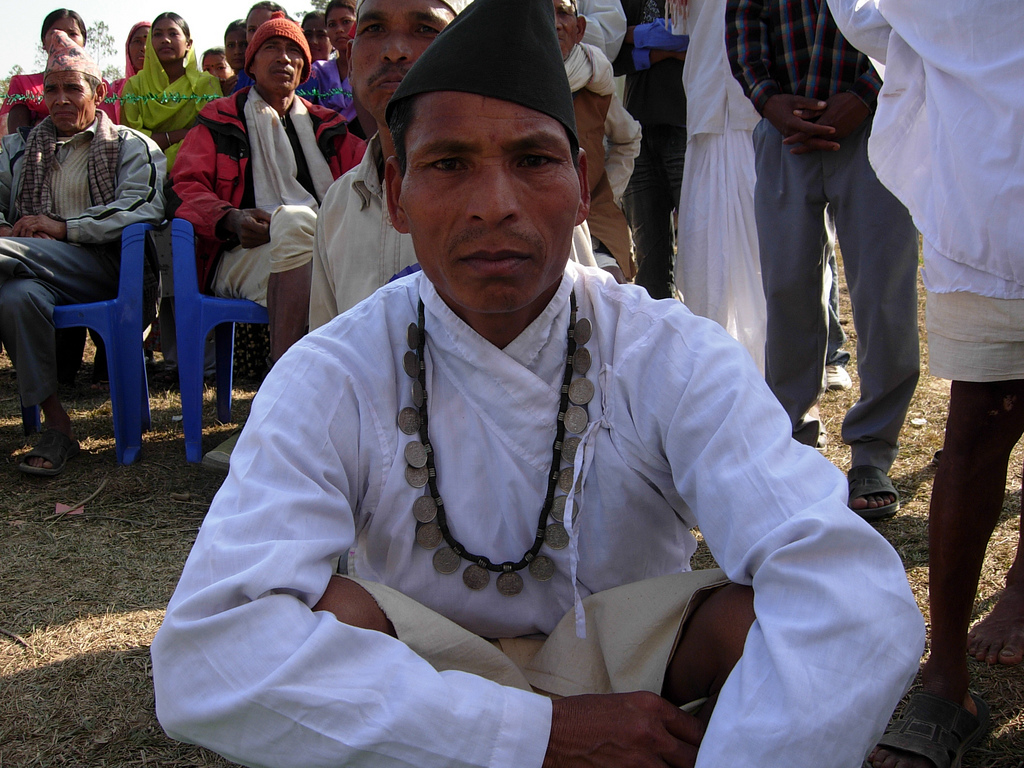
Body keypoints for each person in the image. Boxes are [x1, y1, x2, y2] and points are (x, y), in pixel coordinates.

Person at [151, 1, 924, 766]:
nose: (496, 205)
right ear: (395, 197)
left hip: (633, 671)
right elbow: (205, 654)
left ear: (581, 186)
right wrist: (533, 738)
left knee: (759, 618)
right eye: (450, 164)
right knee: (330, 612)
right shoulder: (333, 370)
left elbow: (851, 595)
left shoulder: (669, 351)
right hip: (423, 679)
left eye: (533, 160)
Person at [827, 2, 1024, 766]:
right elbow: (869, 19)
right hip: (983, 212)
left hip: (975, 198)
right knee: (974, 430)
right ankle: (946, 678)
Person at [726, 0, 920, 520]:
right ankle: (792, 442)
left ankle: (873, 451)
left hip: (876, 127)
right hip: (785, 131)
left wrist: (865, 94)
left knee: (884, 292)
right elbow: (743, 26)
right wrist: (770, 103)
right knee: (787, 289)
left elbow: (913, 24)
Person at [308, 0, 599, 331]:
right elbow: (327, 344)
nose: (395, 51)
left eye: (425, 29)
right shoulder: (336, 206)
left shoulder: (538, 193)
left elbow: (577, 333)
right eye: (374, 28)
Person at [0, 31, 165, 476]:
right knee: (15, 298)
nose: (60, 99)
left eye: (73, 87)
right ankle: (58, 426)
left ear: (99, 92)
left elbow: (142, 203)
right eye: (52, 89)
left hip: (104, 268)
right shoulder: (19, 149)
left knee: (10, 257)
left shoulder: (130, 143)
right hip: (32, 269)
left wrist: (64, 228)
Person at [168, 13, 365, 364]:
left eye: (294, 51)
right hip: (239, 255)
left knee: (323, 243)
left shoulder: (328, 126)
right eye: (271, 47)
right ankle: (287, 379)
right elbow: (182, 188)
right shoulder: (220, 120)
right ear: (252, 64)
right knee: (295, 225)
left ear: (305, 70)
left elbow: (370, 174)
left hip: (326, 250)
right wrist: (230, 219)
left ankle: (294, 384)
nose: (284, 58)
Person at [670, 0, 764, 372]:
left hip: (763, 109)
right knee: (708, 254)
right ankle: (716, 369)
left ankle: (783, 373)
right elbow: (680, 25)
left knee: (770, 254)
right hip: (709, 109)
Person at [555, 0, 640, 284]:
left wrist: (604, 192)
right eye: (544, 11)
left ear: (579, 29)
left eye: (563, 12)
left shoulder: (596, 81)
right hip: (536, 223)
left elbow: (628, 139)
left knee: (611, 290)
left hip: (594, 223)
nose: (555, 22)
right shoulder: (510, 81)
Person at [612, 0, 688, 300]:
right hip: (637, 132)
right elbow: (614, 53)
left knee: (700, 249)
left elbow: (694, 38)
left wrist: (636, 37)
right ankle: (662, 341)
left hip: (687, 127)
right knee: (649, 258)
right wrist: (667, 49)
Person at [120, 12, 222, 172]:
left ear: (189, 43)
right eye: (158, 34)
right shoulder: (135, 86)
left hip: (195, 171)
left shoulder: (206, 84)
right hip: (143, 172)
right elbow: (131, 140)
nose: (165, 39)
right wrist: (178, 135)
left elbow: (210, 135)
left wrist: (162, 142)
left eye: (173, 33)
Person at [1, 9, 117, 135]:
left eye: (72, 33)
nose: (63, 38)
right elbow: (18, 137)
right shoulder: (23, 84)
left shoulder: (96, 85)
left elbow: (106, 131)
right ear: (43, 43)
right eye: (55, 33)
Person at [307, 0, 359, 125]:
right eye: (332, 24)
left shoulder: (372, 71)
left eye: (346, 22)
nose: (339, 30)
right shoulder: (317, 72)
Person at [231, 2, 290, 93]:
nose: (257, 35)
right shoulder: (242, 77)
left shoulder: (290, 69)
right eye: (252, 30)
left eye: (265, 27)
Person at [110, 21, 151, 124]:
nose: (144, 48)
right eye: (137, 41)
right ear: (128, 47)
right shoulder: (113, 90)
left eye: (149, 42)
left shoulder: (170, 90)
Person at [222, 19, 247, 94]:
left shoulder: (256, 81)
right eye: (231, 45)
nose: (237, 52)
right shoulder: (229, 85)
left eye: (243, 45)